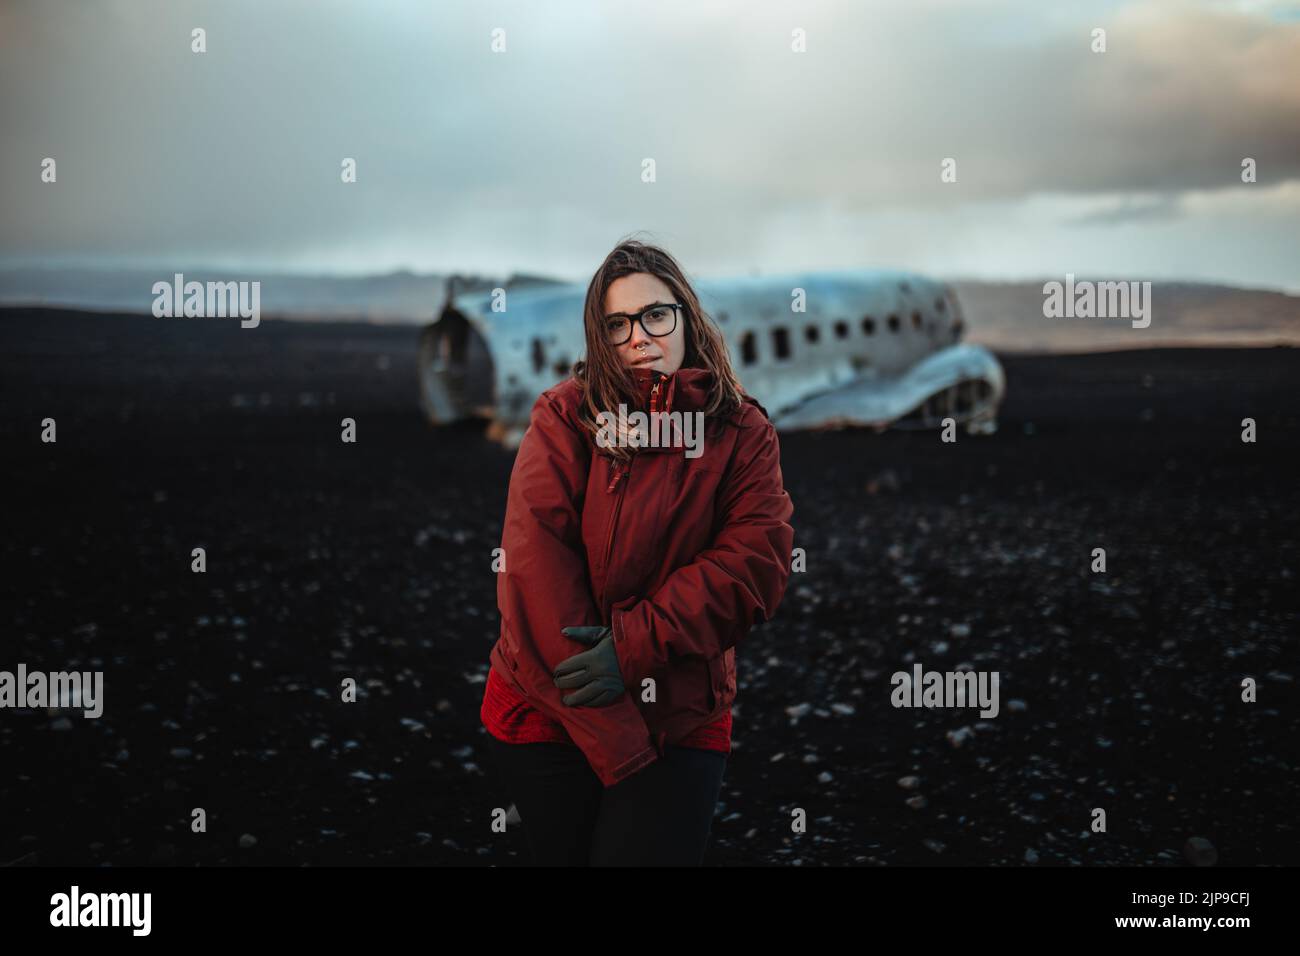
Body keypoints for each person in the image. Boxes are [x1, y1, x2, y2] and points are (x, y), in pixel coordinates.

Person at [479, 238, 795, 866]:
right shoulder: (564, 419)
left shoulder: (740, 433)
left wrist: (630, 649)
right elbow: (536, 569)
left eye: (656, 314)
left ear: (686, 316)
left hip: (679, 715)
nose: (639, 338)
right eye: (617, 324)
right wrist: (620, 740)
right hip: (548, 708)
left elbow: (753, 564)